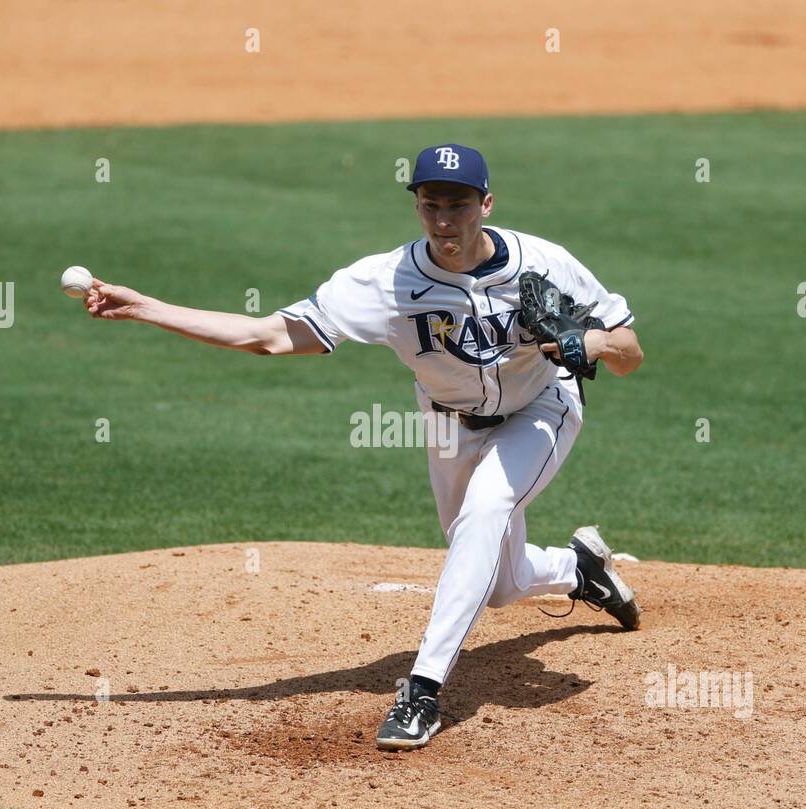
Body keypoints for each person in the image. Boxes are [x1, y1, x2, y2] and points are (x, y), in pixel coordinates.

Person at [83, 143, 645, 751]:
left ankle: (423, 691)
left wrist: (589, 343)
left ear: (485, 204)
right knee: (501, 582)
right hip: (446, 425)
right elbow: (266, 336)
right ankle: (578, 569)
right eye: (431, 206)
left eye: (458, 206)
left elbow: (629, 352)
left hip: (541, 410)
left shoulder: (544, 262)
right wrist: (146, 308)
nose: (444, 221)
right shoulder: (384, 282)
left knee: (486, 510)